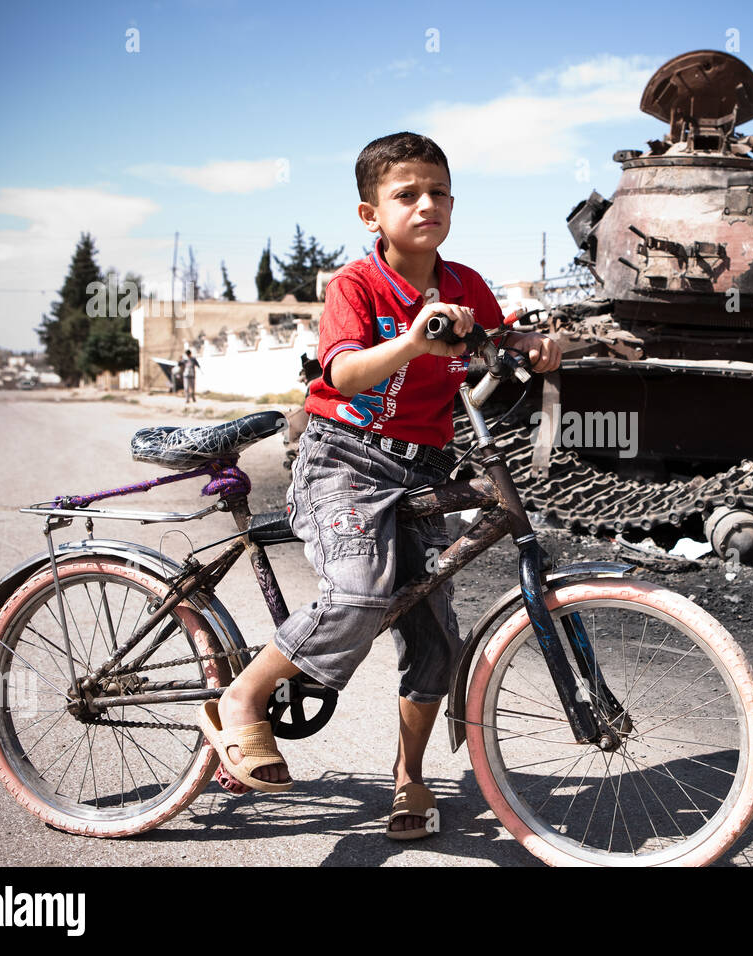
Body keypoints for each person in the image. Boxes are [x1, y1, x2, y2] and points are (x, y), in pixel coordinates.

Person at [198, 131, 561, 840]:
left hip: (425, 467)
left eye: (439, 192)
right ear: (371, 214)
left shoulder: (464, 285)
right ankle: (239, 700)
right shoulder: (355, 286)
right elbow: (341, 375)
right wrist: (415, 341)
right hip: (345, 462)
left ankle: (411, 778)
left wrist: (534, 347)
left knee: (434, 637)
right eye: (407, 194)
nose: (427, 204)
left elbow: (495, 339)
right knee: (362, 591)